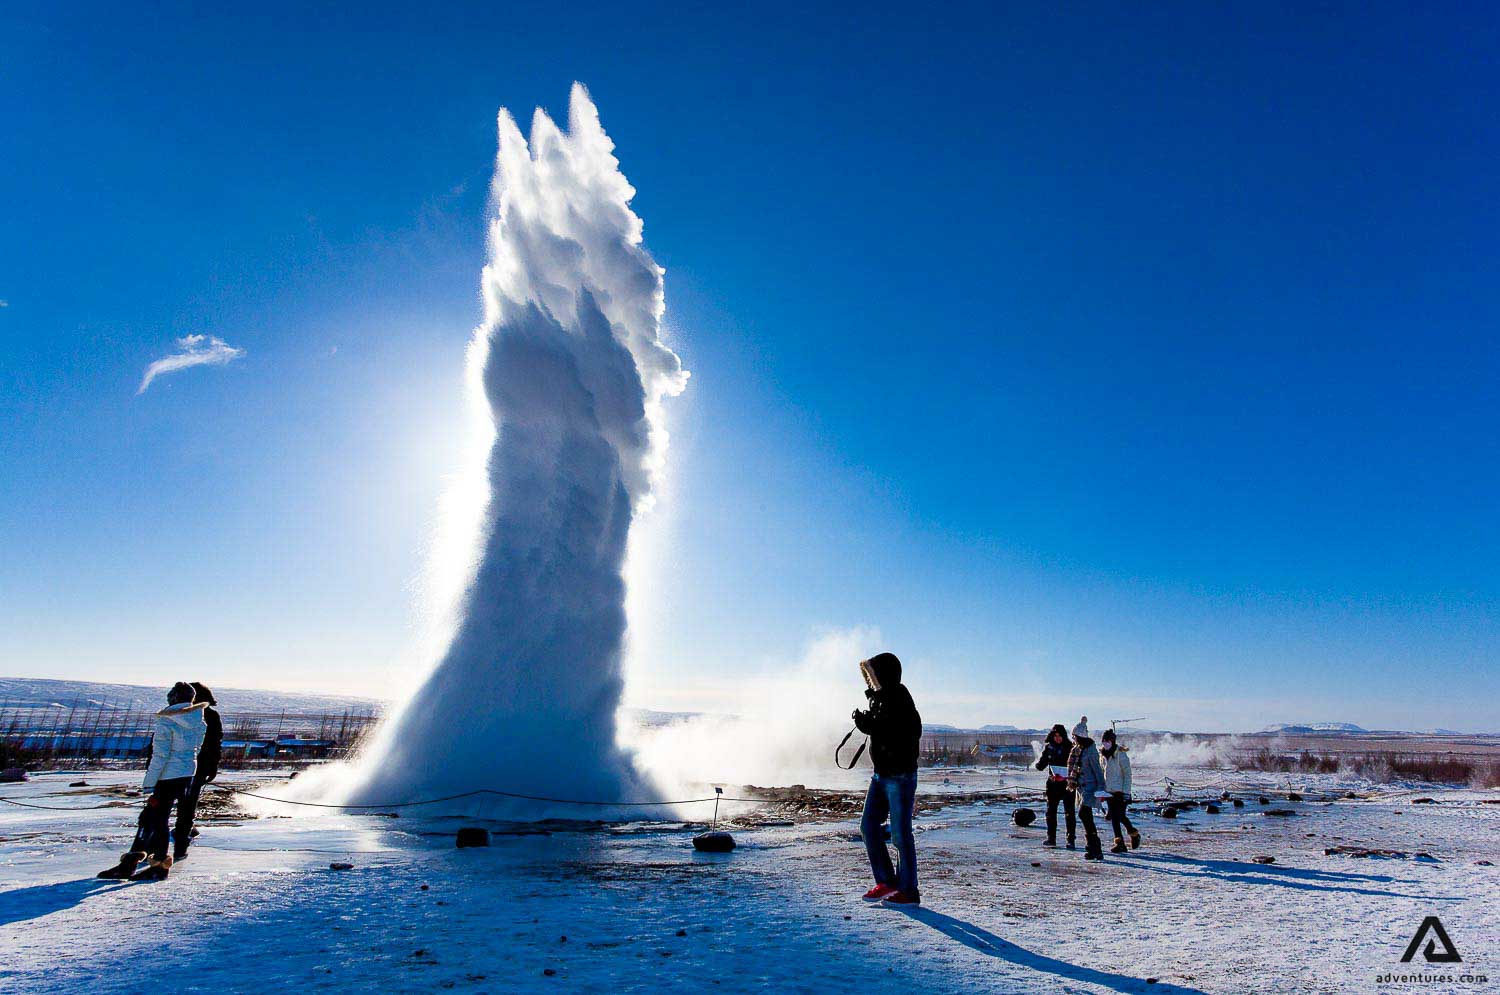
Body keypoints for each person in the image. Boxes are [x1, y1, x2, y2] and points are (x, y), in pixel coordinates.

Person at [98, 683, 209, 881]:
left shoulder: (167, 721)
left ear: (174, 698)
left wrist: (149, 783)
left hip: (166, 776)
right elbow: (197, 749)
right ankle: (134, 860)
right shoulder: (198, 721)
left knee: (157, 819)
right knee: (151, 817)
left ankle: (158, 863)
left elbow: (160, 756)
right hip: (186, 774)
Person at [852, 652, 923, 905]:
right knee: (868, 827)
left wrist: (870, 725)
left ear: (885, 675)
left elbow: (904, 731)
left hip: (900, 776)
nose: (871, 681)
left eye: (873, 675)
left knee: (901, 835)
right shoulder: (879, 700)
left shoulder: (900, 698)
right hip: (881, 774)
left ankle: (908, 890)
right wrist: (869, 721)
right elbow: (883, 727)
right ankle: (886, 882)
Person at [171, 681, 223, 860]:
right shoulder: (210, 716)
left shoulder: (175, 713)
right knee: (187, 806)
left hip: (173, 768)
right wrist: (212, 766)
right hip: (196, 768)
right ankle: (181, 842)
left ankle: (154, 847)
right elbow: (215, 744)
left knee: (162, 807)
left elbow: (158, 743)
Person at [1066, 716, 1105, 861]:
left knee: (1083, 814)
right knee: (1086, 817)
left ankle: (1094, 846)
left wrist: (1101, 789)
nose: (1073, 739)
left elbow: (1098, 771)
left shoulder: (1090, 752)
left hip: (1090, 788)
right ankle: (1094, 848)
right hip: (1081, 789)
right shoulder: (1078, 750)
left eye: (1075, 736)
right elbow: (1074, 769)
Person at [1034, 723, 1076, 848]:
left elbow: (1076, 765)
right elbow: (1041, 765)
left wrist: (1069, 775)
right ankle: (1051, 838)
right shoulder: (1049, 748)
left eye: (1059, 736)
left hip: (1067, 784)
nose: (1057, 738)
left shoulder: (1070, 747)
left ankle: (1070, 839)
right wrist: (1040, 763)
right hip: (1053, 784)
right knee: (1051, 812)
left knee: (1069, 812)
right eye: (1055, 736)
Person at [1100, 728, 1140, 853]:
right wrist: (1102, 790)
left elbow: (1127, 774)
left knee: (1120, 816)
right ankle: (1120, 842)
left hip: (1120, 791)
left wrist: (1126, 792)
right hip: (1109, 791)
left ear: (1112, 741)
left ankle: (1133, 834)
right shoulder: (1103, 755)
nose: (1105, 743)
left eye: (1108, 741)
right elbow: (1103, 772)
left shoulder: (1120, 754)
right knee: (1115, 817)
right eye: (1104, 741)